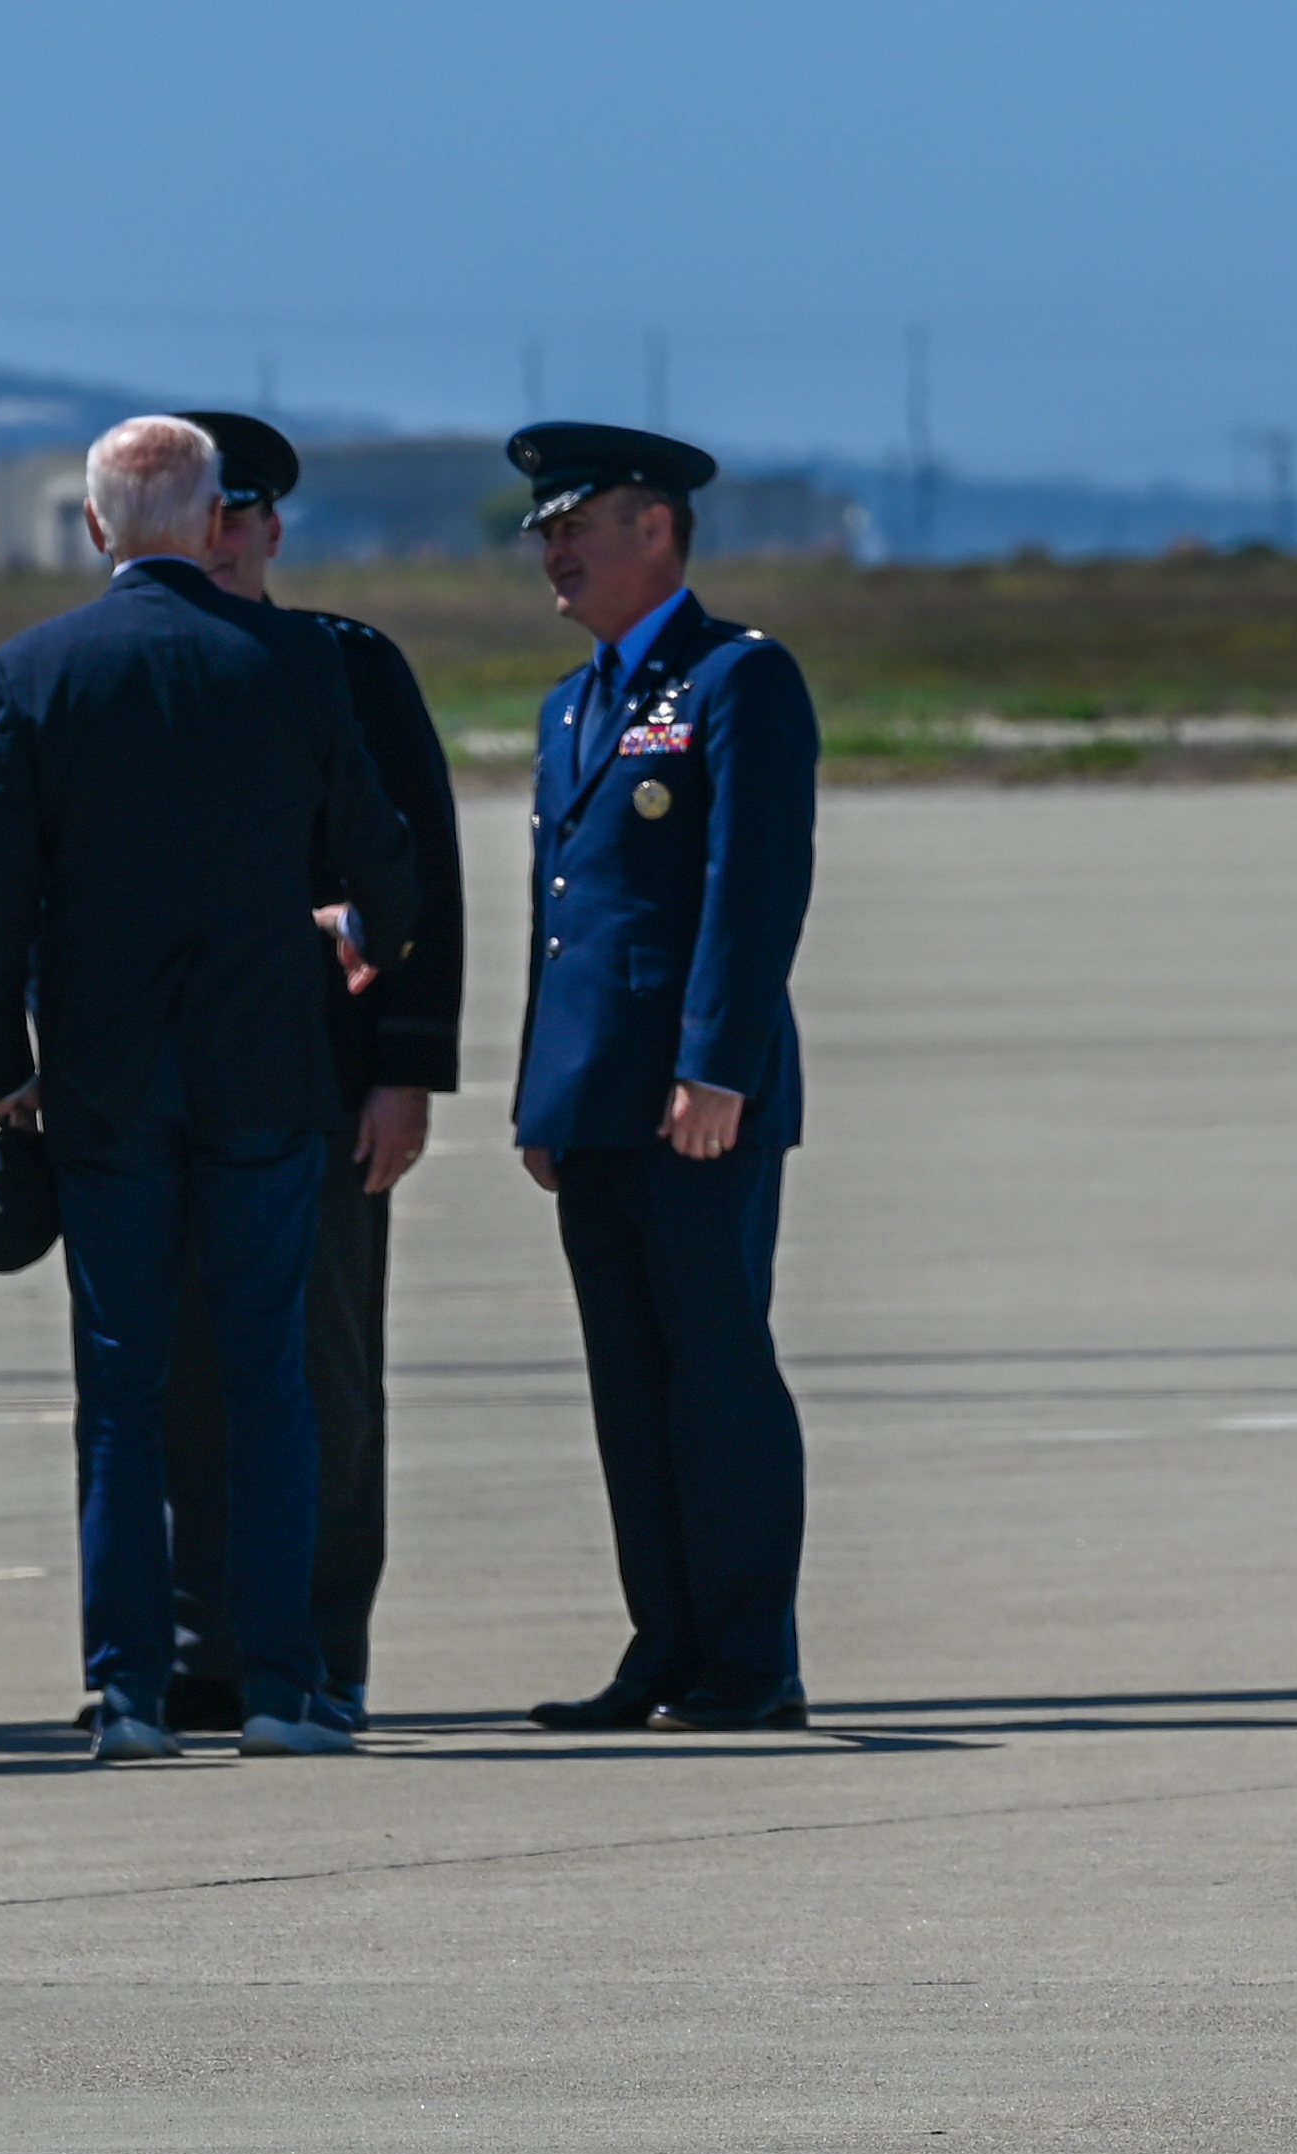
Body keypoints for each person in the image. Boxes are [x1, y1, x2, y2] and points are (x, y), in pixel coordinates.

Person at [0, 414, 419, 1763]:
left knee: (122, 1393)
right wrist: (353, 942)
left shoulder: (32, 669)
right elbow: (384, 864)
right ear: (216, 516)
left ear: (94, 527)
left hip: (104, 1088)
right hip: (265, 1076)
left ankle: (131, 1692)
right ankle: (278, 1686)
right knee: (272, 1385)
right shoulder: (290, 658)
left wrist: (4, 1077)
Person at [501, 422, 821, 1736]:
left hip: (697, 1104)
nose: (553, 551)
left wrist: (714, 1069)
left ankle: (751, 1658)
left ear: (657, 526)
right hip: (593, 1107)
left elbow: (752, 894)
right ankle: (665, 1645)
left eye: (576, 523)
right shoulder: (574, 702)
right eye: (542, 531)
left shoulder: (735, 678)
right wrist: (541, 1094)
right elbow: (563, 915)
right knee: (630, 1388)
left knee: (717, 1374)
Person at [157, 411, 466, 1736]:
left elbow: (425, 878)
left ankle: (321, 1643)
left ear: (275, 529)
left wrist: (405, 1067)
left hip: (325, 1079)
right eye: (202, 509)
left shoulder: (349, 664)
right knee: (176, 1374)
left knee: (319, 1370)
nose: (224, 534)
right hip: (165, 1084)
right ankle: (197, 1645)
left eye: (243, 513)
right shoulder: (123, 662)